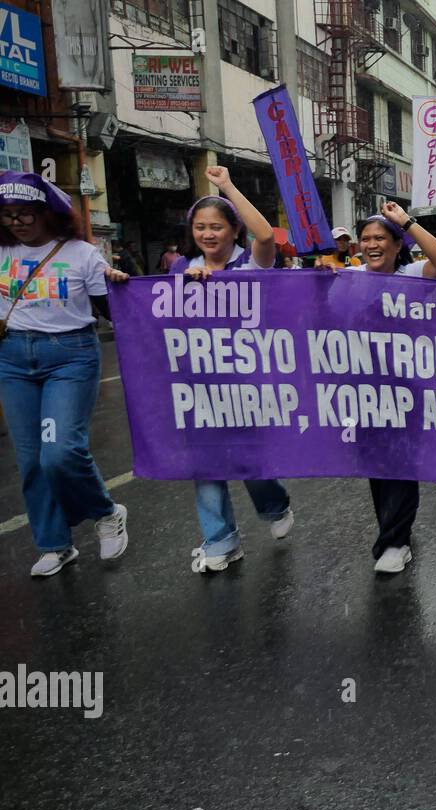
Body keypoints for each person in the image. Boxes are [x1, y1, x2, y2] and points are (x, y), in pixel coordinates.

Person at [0, 171, 130, 576]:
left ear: (48, 213)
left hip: (70, 356)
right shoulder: (1, 251)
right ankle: (55, 544)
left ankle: (106, 512)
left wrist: (120, 286)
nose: (17, 222)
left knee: (60, 452)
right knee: (31, 460)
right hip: (13, 358)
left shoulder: (81, 254)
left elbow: (114, 310)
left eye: (25, 213)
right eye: (8, 214)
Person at [171, 165, 294, 572]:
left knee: (250, 463)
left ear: (232, 231)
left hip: (246, 386)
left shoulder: (251, 266)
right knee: (205, 463)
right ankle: (221, 540)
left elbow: (264, 235)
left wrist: (226, 186)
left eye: (217, 227)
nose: (208, 234)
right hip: (198, 385)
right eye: (200, 227)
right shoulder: (180, 270)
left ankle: (275, 506)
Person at [331, 203, 436, 573]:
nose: (371, 244)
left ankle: (396, 541)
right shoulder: (348, 280)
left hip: (407, 388)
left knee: (400, 461)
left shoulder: (414, 274)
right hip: (364, 389)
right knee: (377, 465)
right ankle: (391, 527)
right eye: (365, 239)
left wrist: (407, 221)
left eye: (380, 238)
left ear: (397, 244)